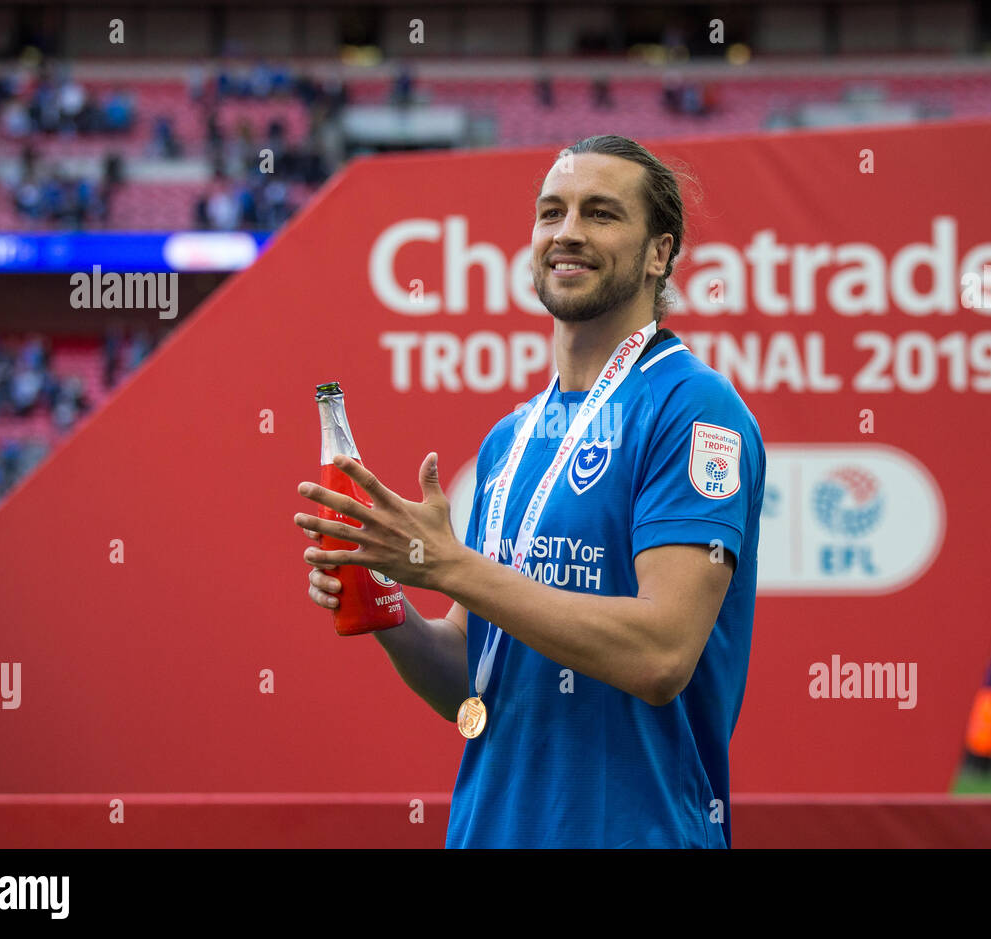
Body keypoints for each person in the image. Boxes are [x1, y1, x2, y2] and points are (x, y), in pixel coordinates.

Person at [294, 135, 765, 848]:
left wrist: (448, 563)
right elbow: (472, 685)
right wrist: (388, 598)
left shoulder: (693, 408)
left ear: (659, 253)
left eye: (601, 213)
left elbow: (661, 656)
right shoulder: (510, 439)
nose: (567, 232)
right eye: (552, 212)